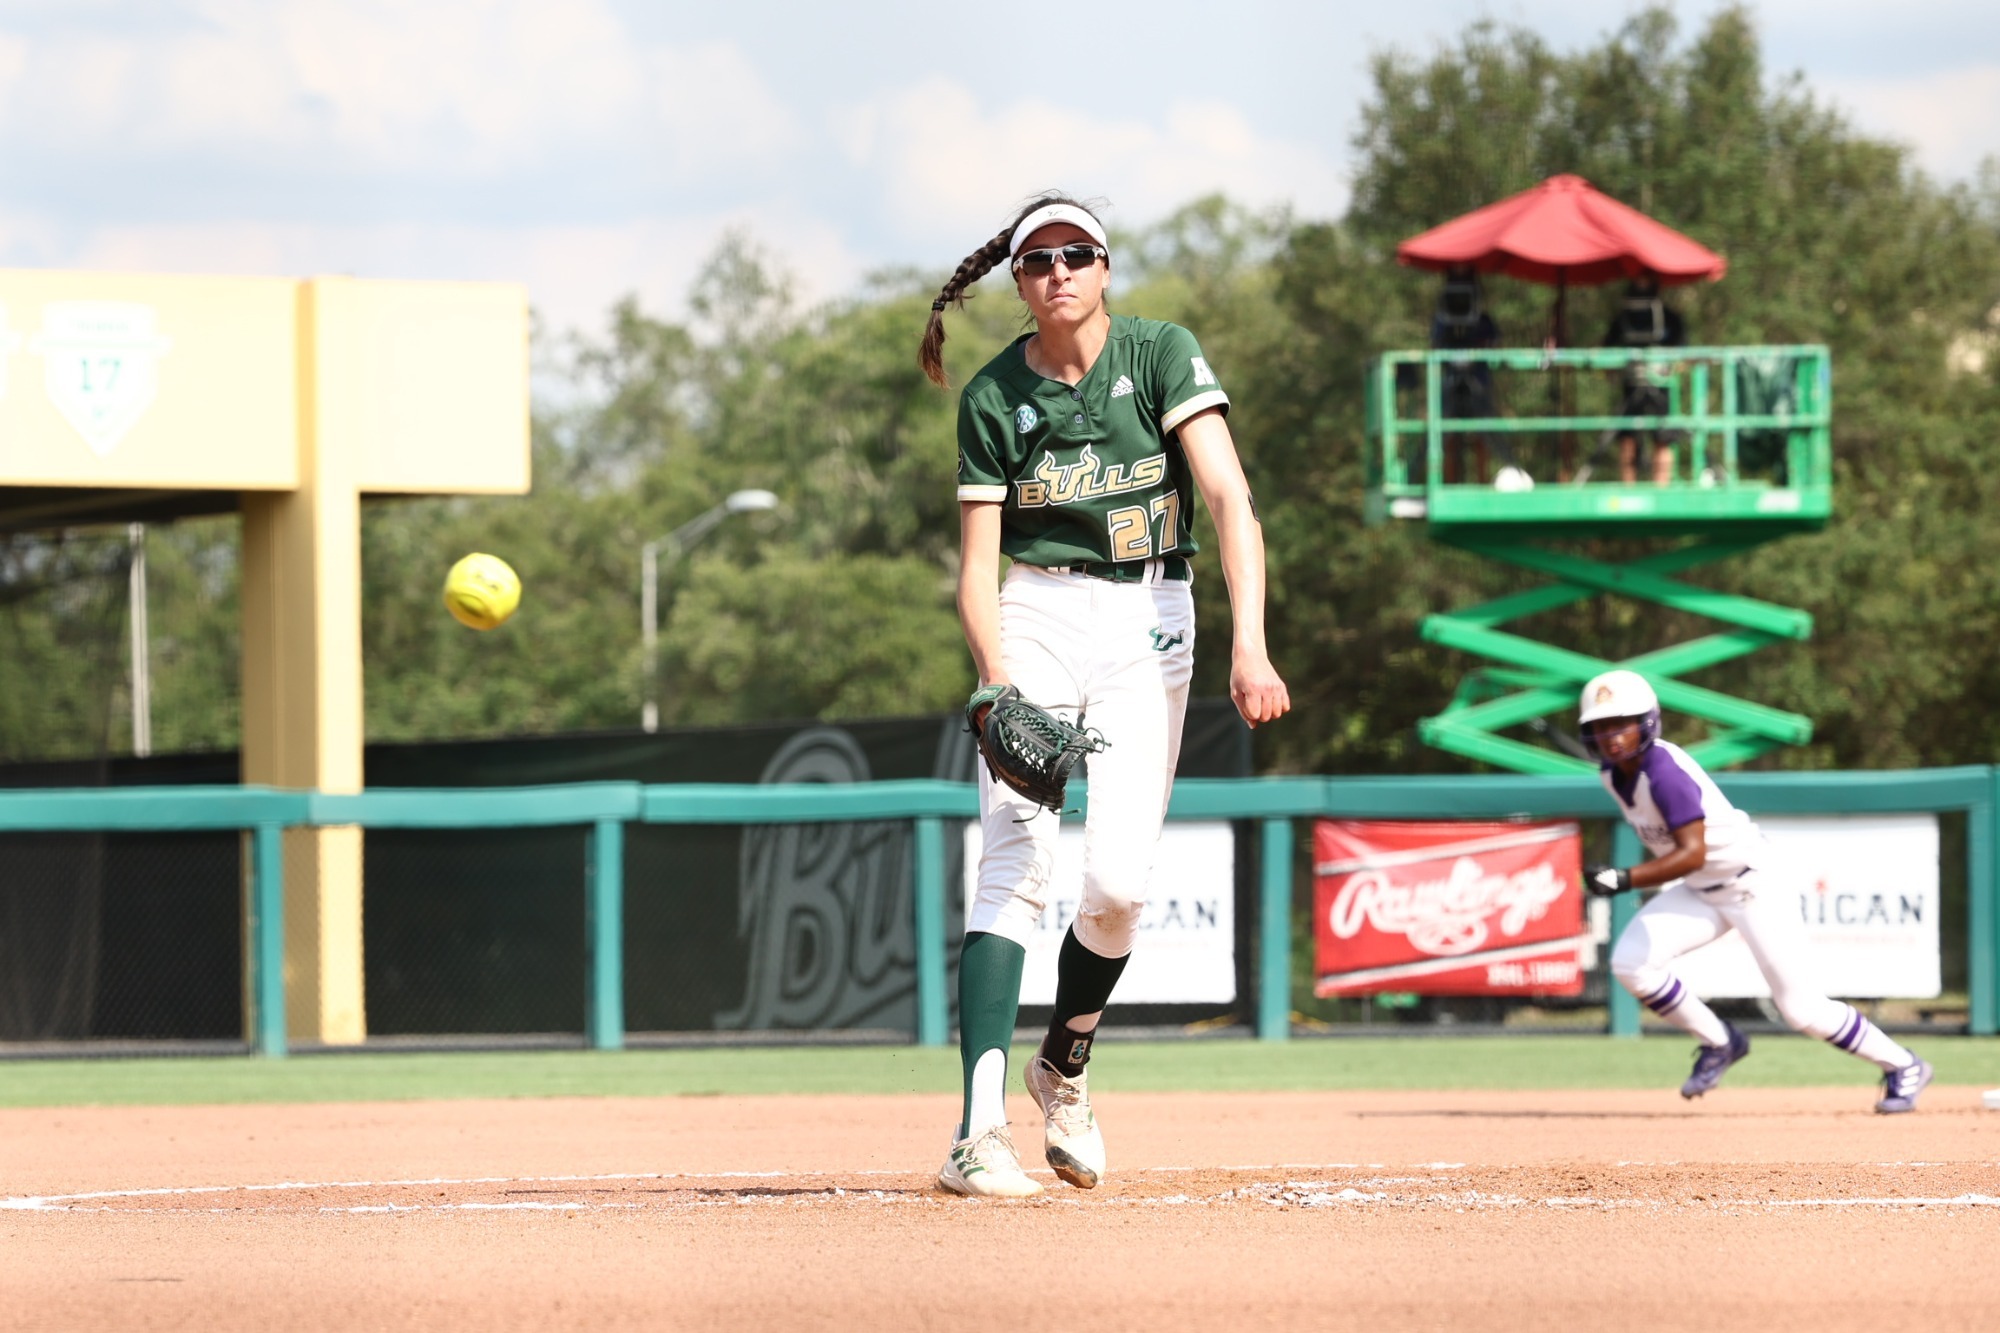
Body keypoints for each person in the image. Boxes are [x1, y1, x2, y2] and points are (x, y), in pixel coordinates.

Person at [919, 193, 1291, 1197]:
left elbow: (1226, 497)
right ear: (1018, 281)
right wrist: (994, 680)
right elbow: (975, 565)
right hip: (1033, 612)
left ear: (1105, 267)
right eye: (1037, 260)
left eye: (1076, 254)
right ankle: (976, 1131)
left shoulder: (1158, 353)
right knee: (1015, 855)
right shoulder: (995, 394)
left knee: (1120, 888)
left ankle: (1064, 1065)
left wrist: (1248, 646)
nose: (1058, 273)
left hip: (1149, 619)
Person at [1577, 669, 1933, 1113]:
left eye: (1621, 722)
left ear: (1647, 721)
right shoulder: (1613, 775)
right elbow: (1691, 864)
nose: (1611, 736)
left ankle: (1904, 1065)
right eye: (1600, 726)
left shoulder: (1664, 773)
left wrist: (1624, 879)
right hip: (1702, 889)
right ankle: (1721, 1042)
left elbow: (1690, 853)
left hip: (1752, 883)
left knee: (1801, 1010)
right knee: (1632, 964)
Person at [1600, 274, 1686, 484]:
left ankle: (1661, 488)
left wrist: (1672, 368)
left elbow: (1683, 354)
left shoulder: (1671, 319)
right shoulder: (1624, 319)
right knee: (1628, 437)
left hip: (1661, 385)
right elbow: (1606, 349)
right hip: (1631, 385)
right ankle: (1629, 486)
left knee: (1663, 436)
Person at [1429, 266, 1505, 485]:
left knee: (1484, 433)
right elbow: (1435, 346)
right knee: (1446, 434)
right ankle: (1446, 482)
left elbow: (1495, 346)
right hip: (1449, 383)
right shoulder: (1442, 321)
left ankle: (1482, 481)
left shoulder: (1483, 321)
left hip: (1479, 382)